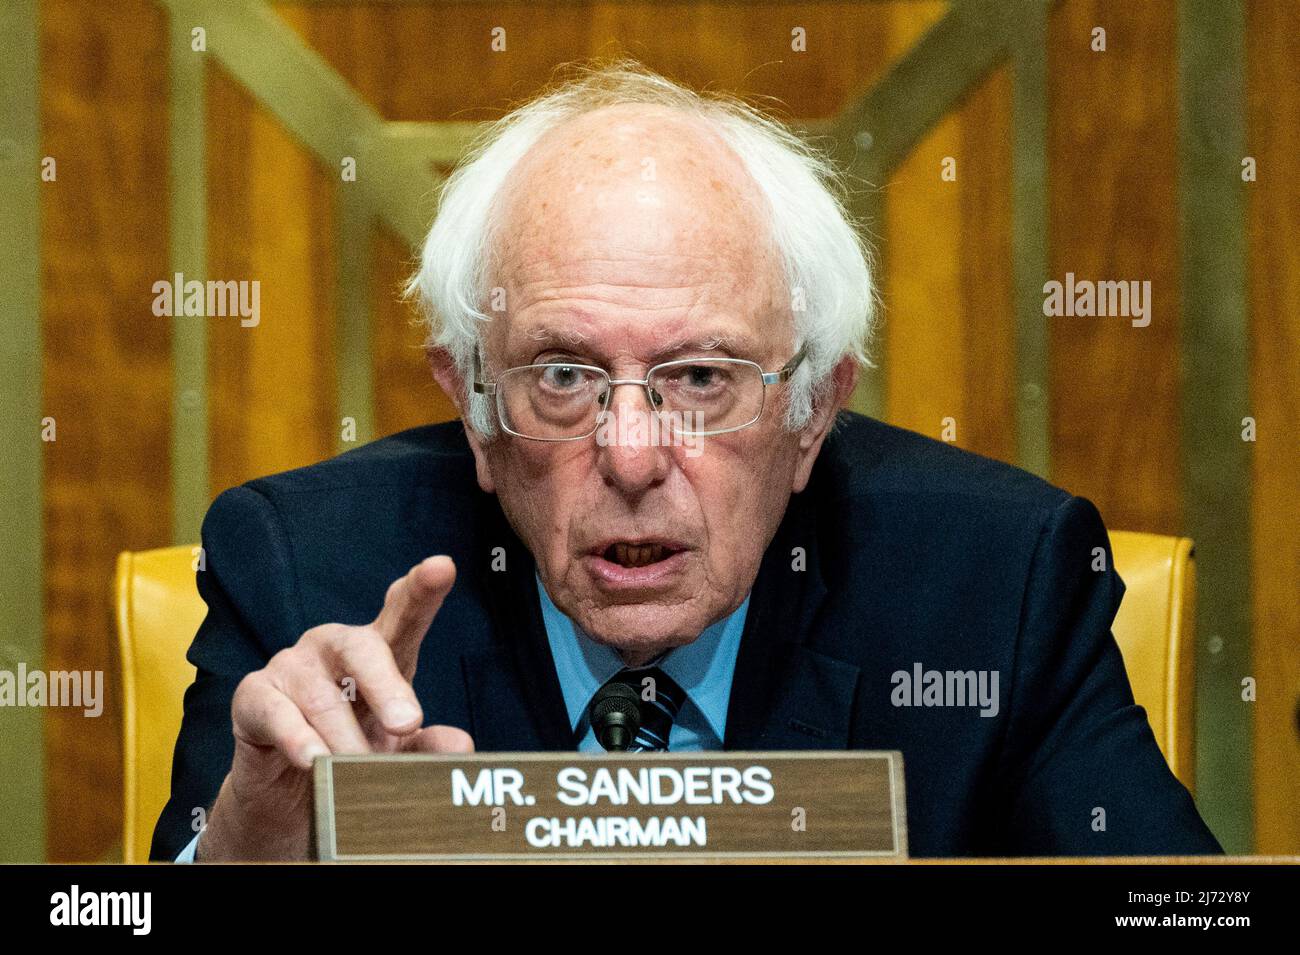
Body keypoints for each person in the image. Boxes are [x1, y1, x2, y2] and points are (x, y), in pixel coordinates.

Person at [155, 62, 1220, 861]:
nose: (629, 455)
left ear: (813, 411)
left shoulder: (995, 581)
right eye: (563, 376)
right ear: (475, 408)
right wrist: (255, 843)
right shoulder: (306, 568)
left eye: (702, 378)